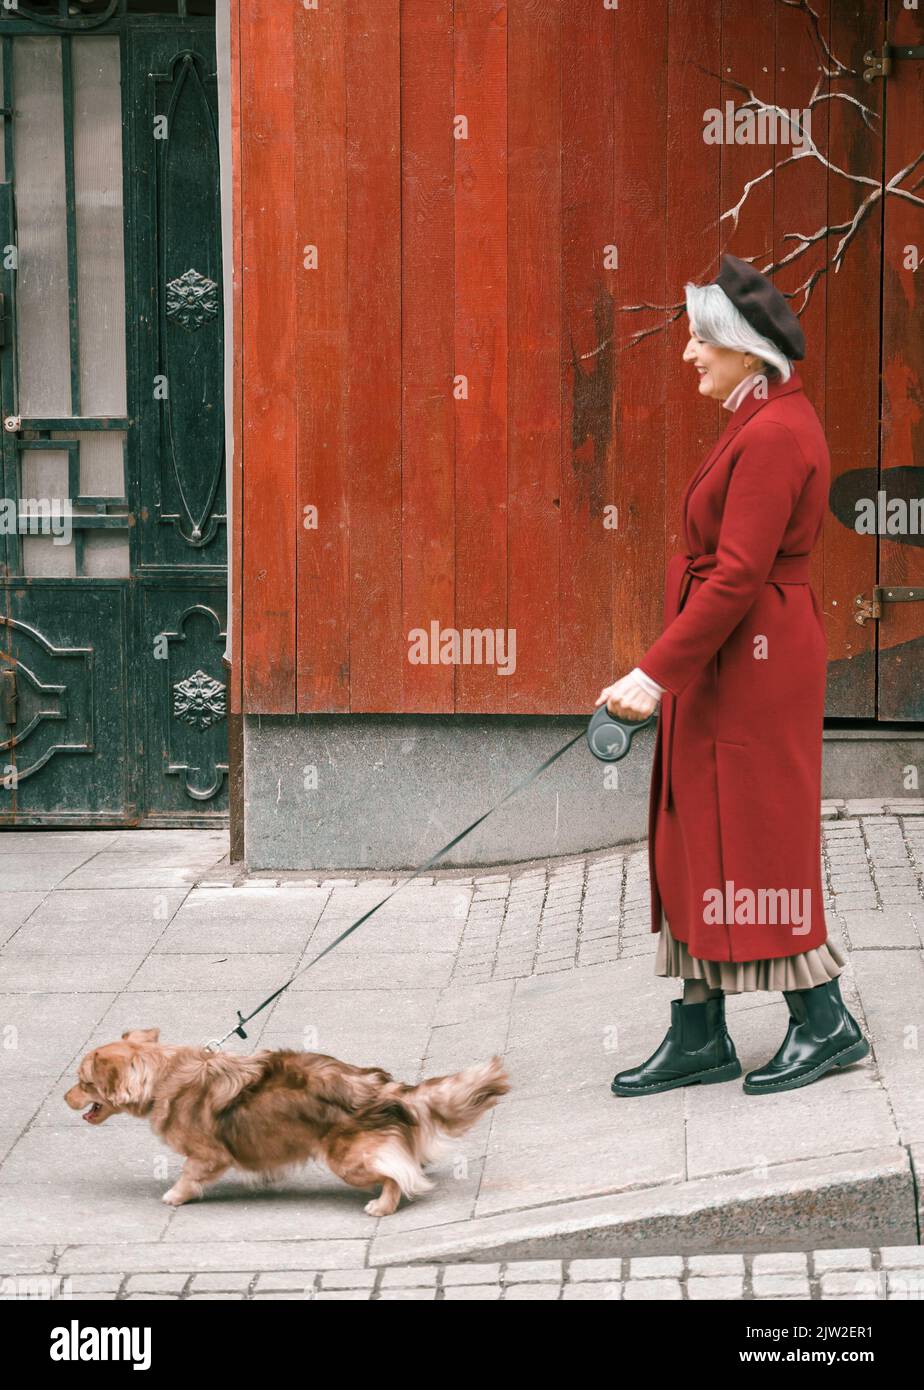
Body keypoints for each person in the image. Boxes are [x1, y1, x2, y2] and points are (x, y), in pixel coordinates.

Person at [596, 253, 870, 1097]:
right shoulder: (759, 417)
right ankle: (700, 1030)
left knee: (755, 837)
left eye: (700, 341)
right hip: (727, 659)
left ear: (746, 350)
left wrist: (654, 672)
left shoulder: (779, 431)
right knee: (694, 828)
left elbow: (740, 573)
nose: (688, 355)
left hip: (754, 661)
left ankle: (825, 1022)